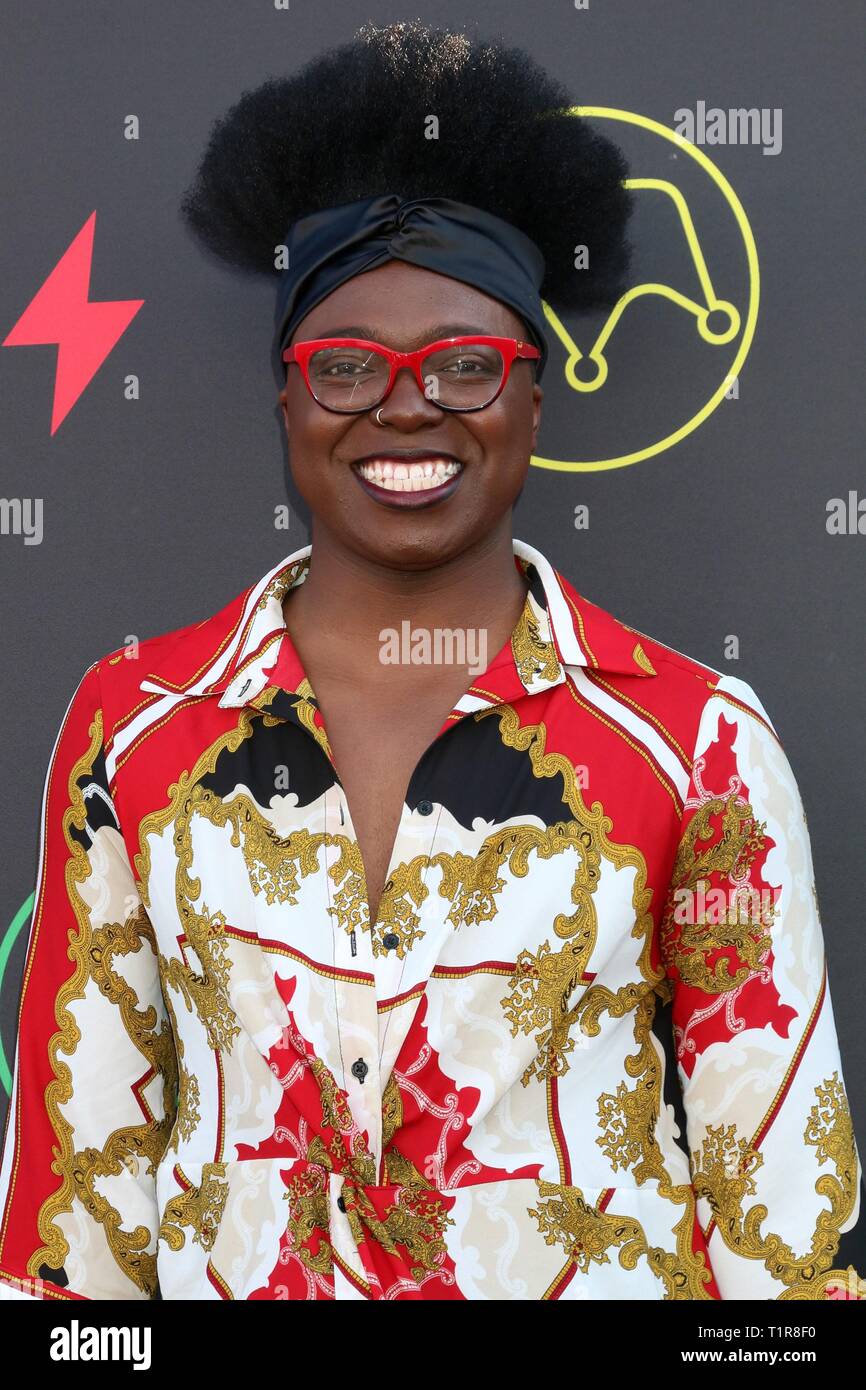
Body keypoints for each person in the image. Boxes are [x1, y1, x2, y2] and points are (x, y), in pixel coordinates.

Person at [0, 21, 863, 1302]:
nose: (406, 407)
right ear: (286, 398)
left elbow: (782, 1228)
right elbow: (74, 1219)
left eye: (465, 364)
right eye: (345, 367)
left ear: (533, 396)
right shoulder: (137, 724)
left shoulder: (701, 743)